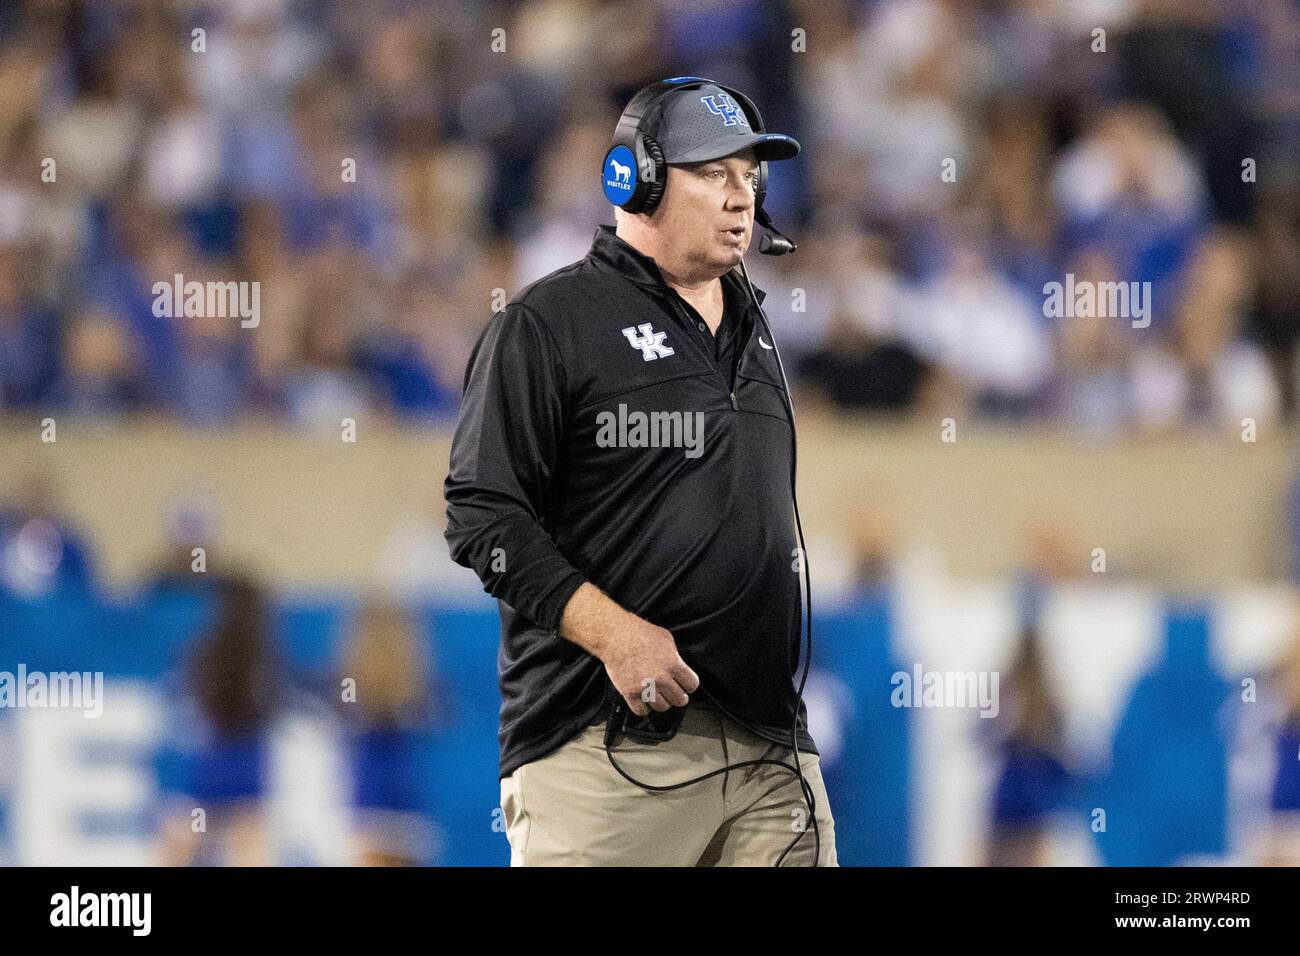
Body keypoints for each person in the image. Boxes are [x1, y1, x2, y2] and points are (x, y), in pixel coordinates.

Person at [445, 78, 837, 865]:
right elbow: (482, 518)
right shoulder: (547, 325)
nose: (742, 195)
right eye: (714, 173)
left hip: (770, 747)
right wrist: (615, 634)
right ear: (639, 178)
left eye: (750, 176)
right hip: (606, 748)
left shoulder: (758, 330)